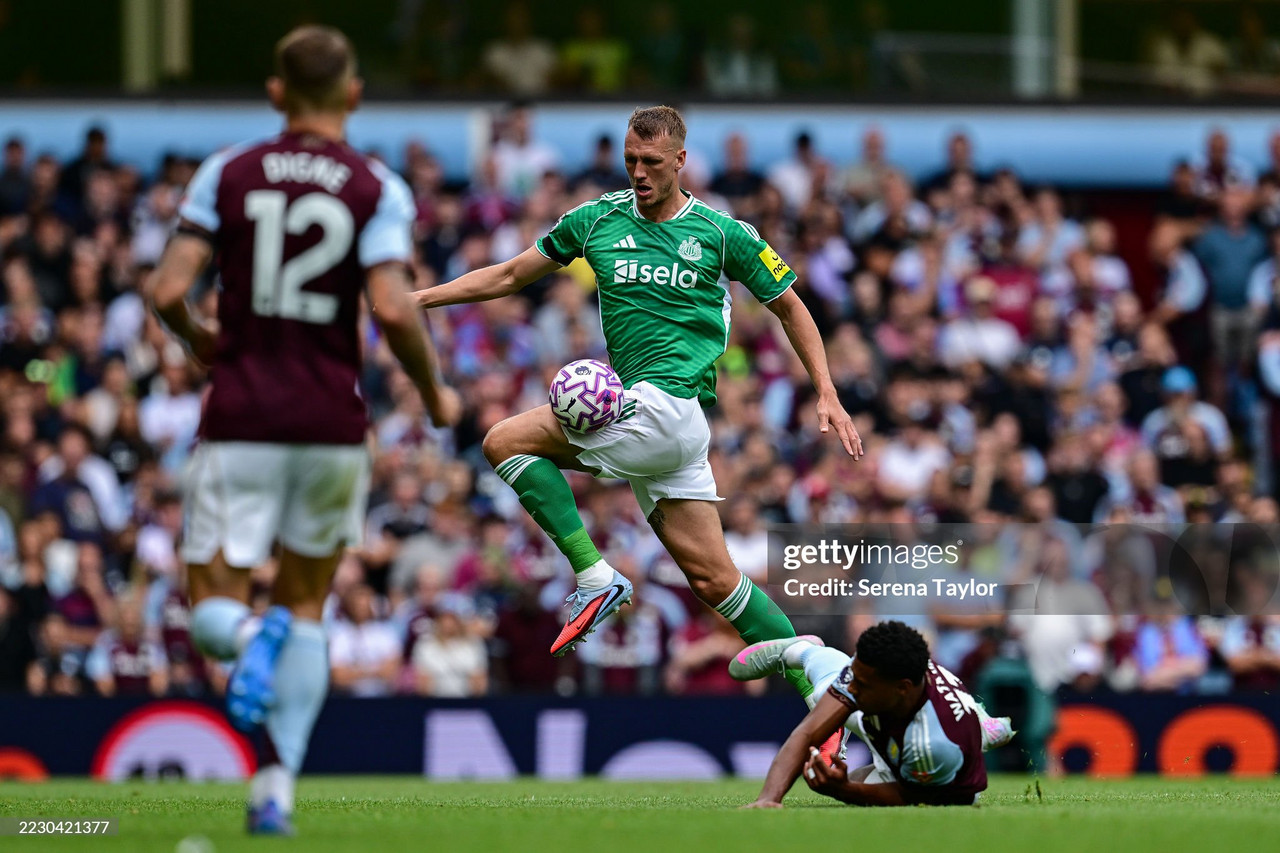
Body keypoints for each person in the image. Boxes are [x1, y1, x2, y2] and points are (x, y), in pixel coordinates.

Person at [414, 106, 862, 710]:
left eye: (651, 162)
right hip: (660, 427)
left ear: (680, 160)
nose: (639, 172)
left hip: (669, 411)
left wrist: (826, 391)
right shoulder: (595, 220)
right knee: (714, 580)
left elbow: (791, 307)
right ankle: (828, 701)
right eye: (631, 160)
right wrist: (419, 299)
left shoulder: (724, 233)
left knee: (503, 442)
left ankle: (595, 577)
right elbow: (512, 274)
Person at [147, 25, 459, 835]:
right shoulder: (376, 185)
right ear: (353, 95)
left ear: (276, 92)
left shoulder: (228, 170)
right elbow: (393, 306)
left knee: (214, 615)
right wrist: (433, 391)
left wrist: (202, 341)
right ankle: (275, 791)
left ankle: (249, 632)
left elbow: (167, 288)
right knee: (308, 608)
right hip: (331, 423)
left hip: (243, 417)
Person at [737, 621, 1013, 808]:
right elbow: (808, 731)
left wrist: (843, 790)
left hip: (944, 788)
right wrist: (768, 800)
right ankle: (801, 651)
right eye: (855, 673)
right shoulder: (878, 677)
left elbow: (908, 797)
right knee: (827, 693)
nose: (852, 686)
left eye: (863, 683)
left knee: (858, 783)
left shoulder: (931, 743)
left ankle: (978, 727)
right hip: (898, 716)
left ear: (902, 687)